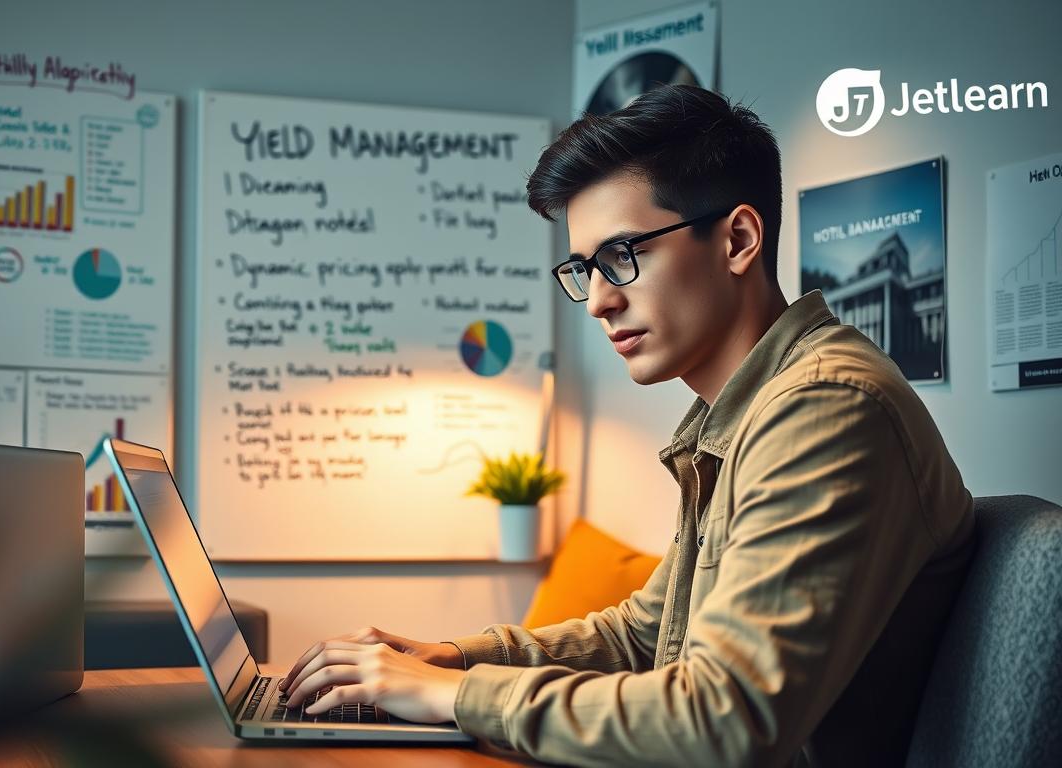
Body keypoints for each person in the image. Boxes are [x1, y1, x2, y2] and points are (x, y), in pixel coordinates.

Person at [279, 84, 975, 767]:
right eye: (586, 268)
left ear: (737, 239)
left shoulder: (825, 409)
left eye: (621, 256)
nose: (600, 301)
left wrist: (456, 695)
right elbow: (646, 634)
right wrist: (451, 658)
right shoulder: (745, 412)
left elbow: (722, 721)